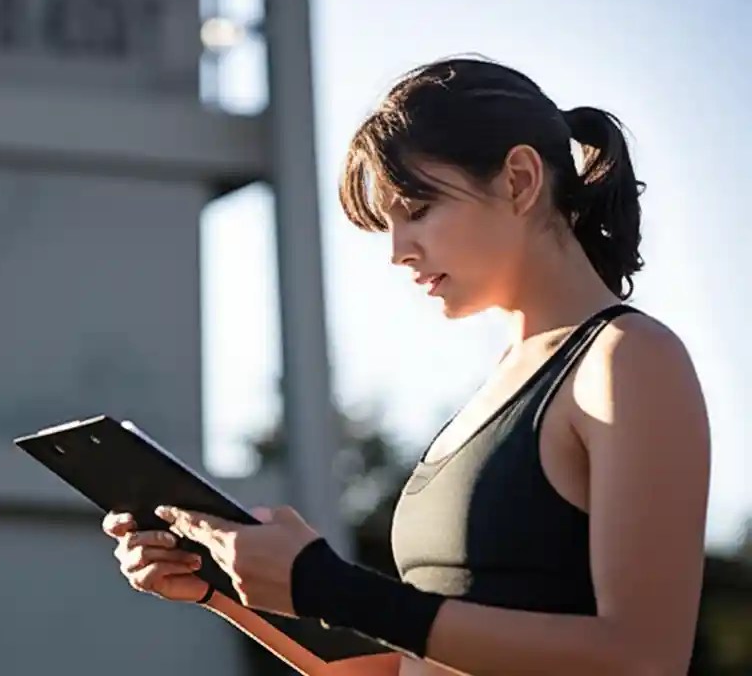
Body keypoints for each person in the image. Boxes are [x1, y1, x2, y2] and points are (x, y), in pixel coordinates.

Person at [102, 56, 711, 676]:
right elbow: (402, 667)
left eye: (418, 209)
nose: (397, 251)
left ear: (520, 181)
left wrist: (328, 585)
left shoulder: (628, 359)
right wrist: (224, 585)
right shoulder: (498, 388)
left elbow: (642, 657)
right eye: (387, 225)